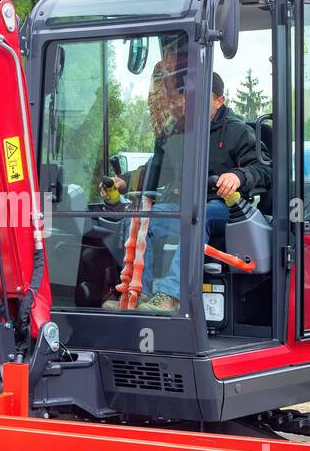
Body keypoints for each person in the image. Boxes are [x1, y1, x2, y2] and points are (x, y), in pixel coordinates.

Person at [102, 72, 271, 313]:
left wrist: (238, 176)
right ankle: (139, 293)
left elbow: (263, 169)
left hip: (223, 208)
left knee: (197, 215)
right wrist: (123, 181)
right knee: (143, 218)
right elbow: (154, 169)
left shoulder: (238, 132)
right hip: (183, 207)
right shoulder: (177, 134)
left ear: (219, 101)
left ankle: (171, 296)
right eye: (188, 97)